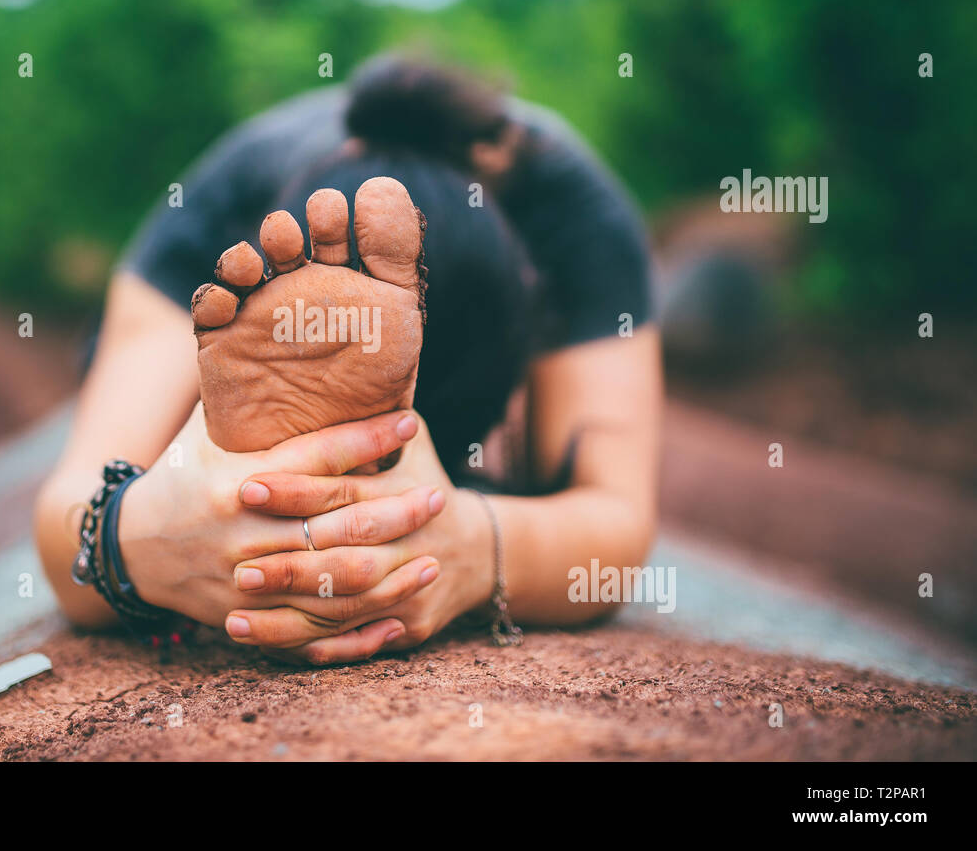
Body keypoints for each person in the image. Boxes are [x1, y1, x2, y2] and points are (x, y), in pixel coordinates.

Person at [35, 54, 662, 665]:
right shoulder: (222, 209)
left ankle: (362, 453)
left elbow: (617, 527)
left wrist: (467, 544)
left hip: (465, 394)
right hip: (236, 267)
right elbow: (71, 511)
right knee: (147, 476)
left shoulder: (574, 222)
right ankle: (249, 449)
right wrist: (152, 535)